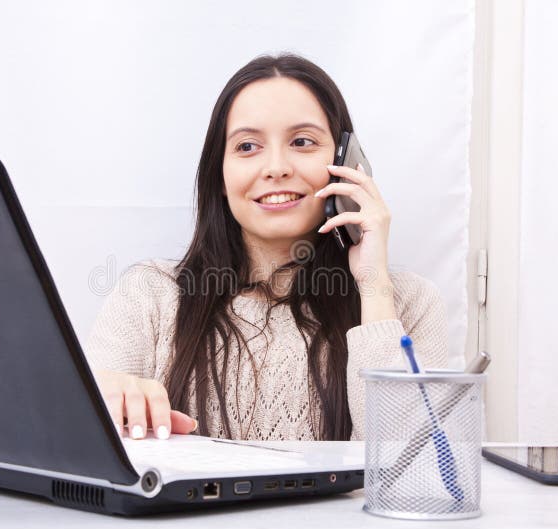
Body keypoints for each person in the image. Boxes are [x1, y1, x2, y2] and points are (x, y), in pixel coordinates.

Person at [84, 53, 448, 442]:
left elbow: (410, 464)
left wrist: (374, 289)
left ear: (348, 163)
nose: (276, 167)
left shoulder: (409, 304)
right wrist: (102, 400)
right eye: (247, 147)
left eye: (302, 142)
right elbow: (82, 443)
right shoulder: (147, 298)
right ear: (219, 176)